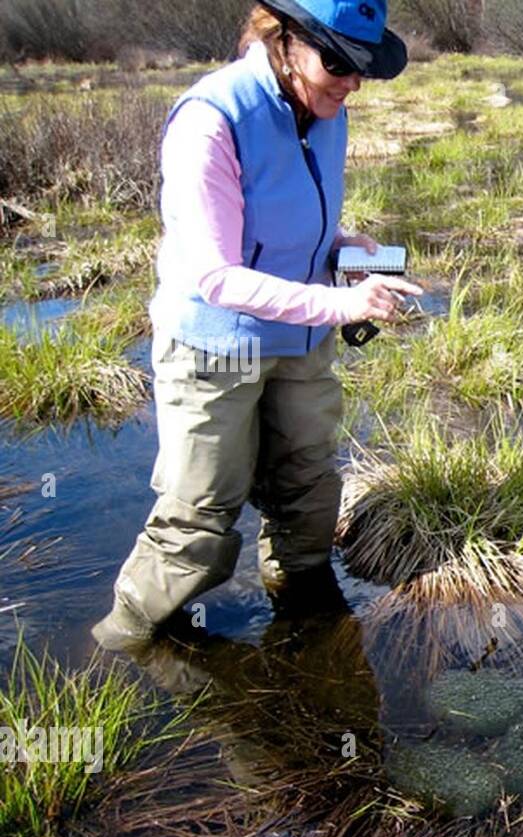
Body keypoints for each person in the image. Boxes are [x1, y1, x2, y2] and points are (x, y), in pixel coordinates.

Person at [93, 0, 424, 652]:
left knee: (308, 485)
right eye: (338, 62)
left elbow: (298, 228)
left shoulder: (329, 111)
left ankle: (302, 619)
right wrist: (345, 306)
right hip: (216, 347)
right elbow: (217, 275)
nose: (352, 80)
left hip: (299, 339)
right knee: (200, 514)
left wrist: (348, 251)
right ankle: (121, 642)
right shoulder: (210, 123)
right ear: (283, 39)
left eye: (364, 67)